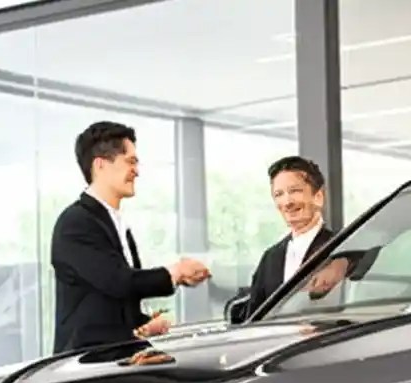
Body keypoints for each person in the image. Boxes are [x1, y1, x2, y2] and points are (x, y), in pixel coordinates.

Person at [51, 121, 209, 352]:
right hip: (86, 364)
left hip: (117, 359)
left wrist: (144, 324)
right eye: (131, 161)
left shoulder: (116, 223)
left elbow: (114, 298)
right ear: (101, 165)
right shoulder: (76, 223)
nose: (137, 171)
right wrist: (175, 272)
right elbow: (119, 281)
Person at [231, 156, 356, 323]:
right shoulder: (270, 258)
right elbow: (254, 319)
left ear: (318, 197)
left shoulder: (342, 250)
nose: (287, 202)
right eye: (279, 194)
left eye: (295, 191)